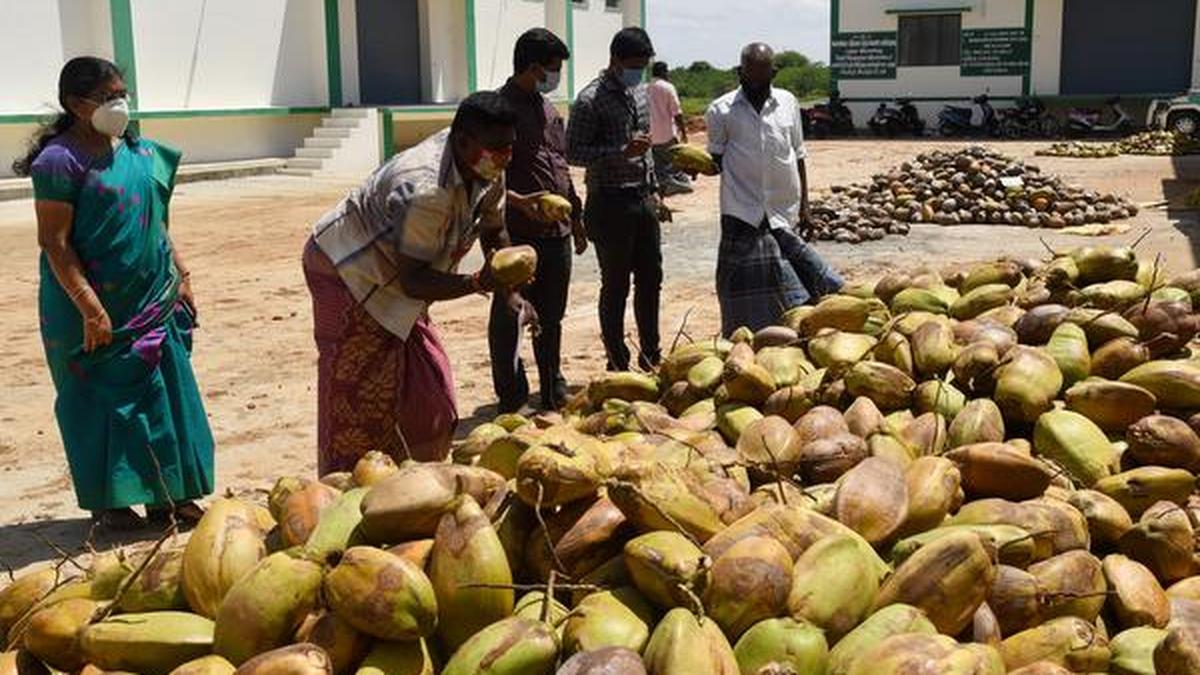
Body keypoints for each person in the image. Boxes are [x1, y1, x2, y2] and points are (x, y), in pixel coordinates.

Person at [16, 57, 213, 531]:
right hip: (90, 309)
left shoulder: (137, 152)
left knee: (167, 394)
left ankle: (174, 497)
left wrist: (182, 274)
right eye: (109, 97)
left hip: (152, 296)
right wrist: (90, 307)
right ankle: (113, 501)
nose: (120, 105)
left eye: (122, 93)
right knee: (101, 403)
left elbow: (156, 226)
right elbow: (55, 242)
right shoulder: (59, 162)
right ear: (76, 105)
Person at [304, 91, 535, 474]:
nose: (506, 157)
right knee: (359, 396)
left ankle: (412, 478)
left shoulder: (488, 164)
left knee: (429, 394)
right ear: (463, 141)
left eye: (510, 147)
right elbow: (413, 281)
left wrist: (511, 291)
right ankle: (341, 485)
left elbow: (495, 230)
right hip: (347, 271)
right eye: (498, 148)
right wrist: (479, 281)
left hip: (402, 278)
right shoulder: (426, 188)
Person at [704, 43, 844, 334]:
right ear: (740, 72)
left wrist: (805, 206)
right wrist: (694, 167)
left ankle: (794, 331)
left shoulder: (788, 103)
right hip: (741, 210)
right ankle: (745, 334)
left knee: (802, 279)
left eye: (762, 78)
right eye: (749, 77)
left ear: (774, 73)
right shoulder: (721, 110)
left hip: (783, 210)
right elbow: (715, 160)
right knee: (737, 286)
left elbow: (798, 154)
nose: (755, 84)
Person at [490, 28, 586, 413]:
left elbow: (559, 165)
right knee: (510, 313)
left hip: (556, 232)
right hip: (515, 233)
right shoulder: (497, 111)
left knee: (552, 316)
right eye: (552, 69)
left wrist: (576, 216)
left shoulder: (548, 109)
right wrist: (518, 202)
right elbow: (484, 176)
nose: (555, 76)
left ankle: (551, 386)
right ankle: (512, 394)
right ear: (532, 67)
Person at [567, 27, 665, 372]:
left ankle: (651, 353)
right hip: (609, 203)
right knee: (616, 284)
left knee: (651, 278)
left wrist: (655, 190)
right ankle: (616, 360)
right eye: (634, 64)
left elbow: (646, 148)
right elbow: (573, 152)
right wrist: (620, 153)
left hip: (642, 199)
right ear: (615, 60)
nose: (639, 71)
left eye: (643, 65)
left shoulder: (639, 92)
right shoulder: (589, 100)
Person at [647, 61, 693, 196]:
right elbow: (677, 113)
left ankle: (662, 195)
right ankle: (678, 185)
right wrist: (683, 132)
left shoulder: (645, 87)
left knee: (657, 169)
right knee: (675, 166)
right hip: (667, 135)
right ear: (664, 72)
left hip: (650, 137)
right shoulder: (668, 88)